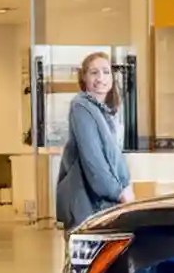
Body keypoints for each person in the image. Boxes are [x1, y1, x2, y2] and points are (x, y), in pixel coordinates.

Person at [55, 51, 133, 232]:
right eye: (94, 72)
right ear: (84, 77)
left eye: (106, 72)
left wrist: (126, 186)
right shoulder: (81, 106)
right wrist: (119, 192)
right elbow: (94, 161)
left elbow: (116, 158)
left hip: (105, 205)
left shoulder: (107, 113)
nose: (101, 78)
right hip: (87, 208)